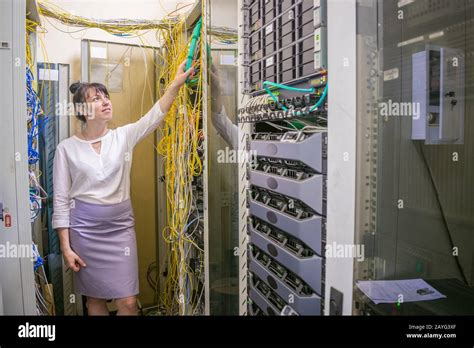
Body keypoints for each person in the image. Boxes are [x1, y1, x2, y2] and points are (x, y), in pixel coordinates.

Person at [52, 61, 195, 316]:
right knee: (94, 300)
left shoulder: (122, 137)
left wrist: (175, 84)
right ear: (82, 109)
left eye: (106, 96)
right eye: (97, 98)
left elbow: (154, 116)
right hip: (84, 231)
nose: (106, 101)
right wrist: (66, 246)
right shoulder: (66, 149)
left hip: (119, 229)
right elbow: (61, 200)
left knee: (128, 302)